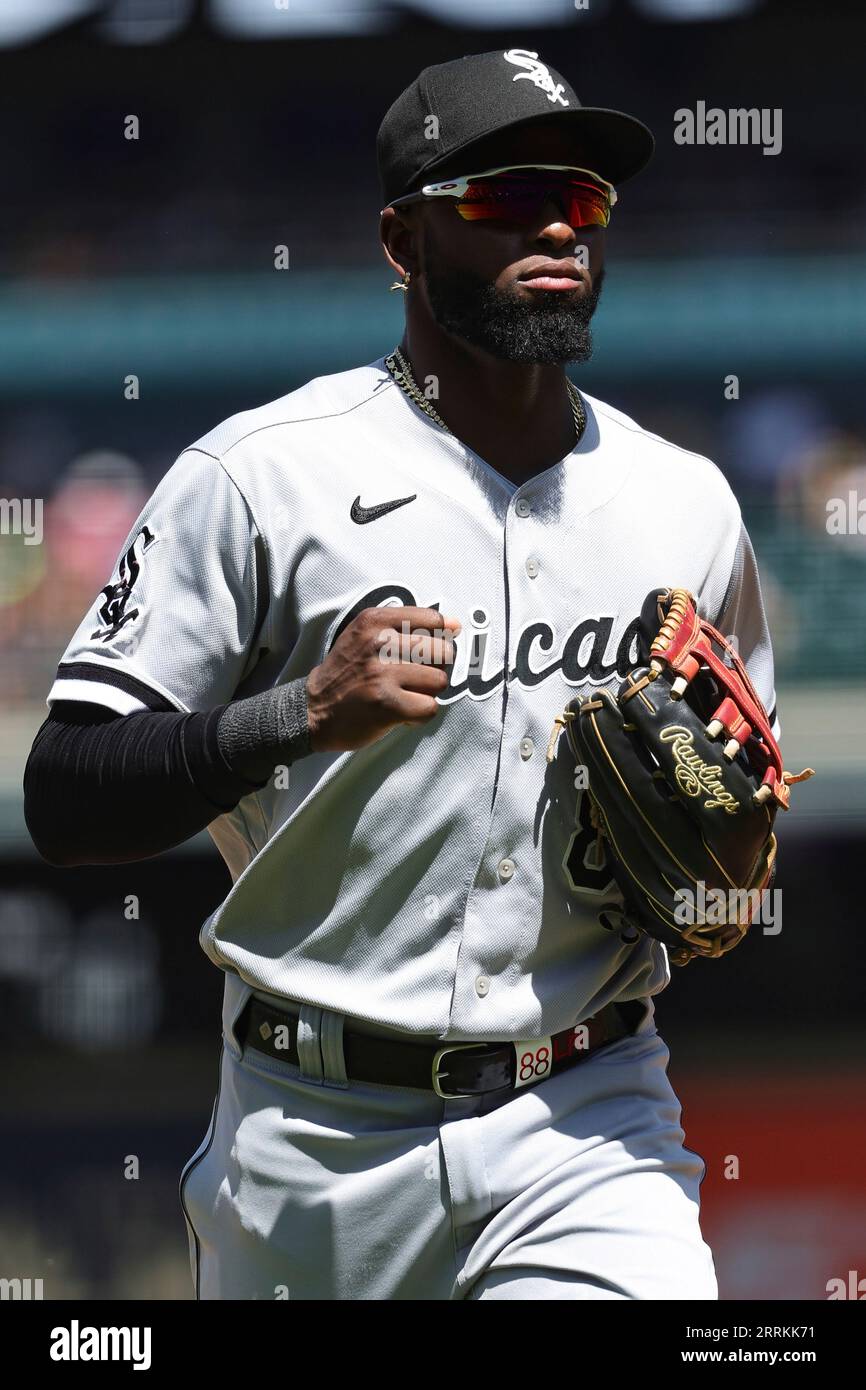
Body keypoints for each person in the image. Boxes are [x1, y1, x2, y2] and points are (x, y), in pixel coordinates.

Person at [24, 48, 778, 1300]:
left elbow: (731, 831)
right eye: (502, 198)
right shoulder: (259, 475)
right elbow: (67, 792)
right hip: (308, 1137)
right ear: (399, 239)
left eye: (583, 200)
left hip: (586, 1119)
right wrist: (299, 713)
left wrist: (720, 880)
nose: (556, 226)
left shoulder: (681, 503)